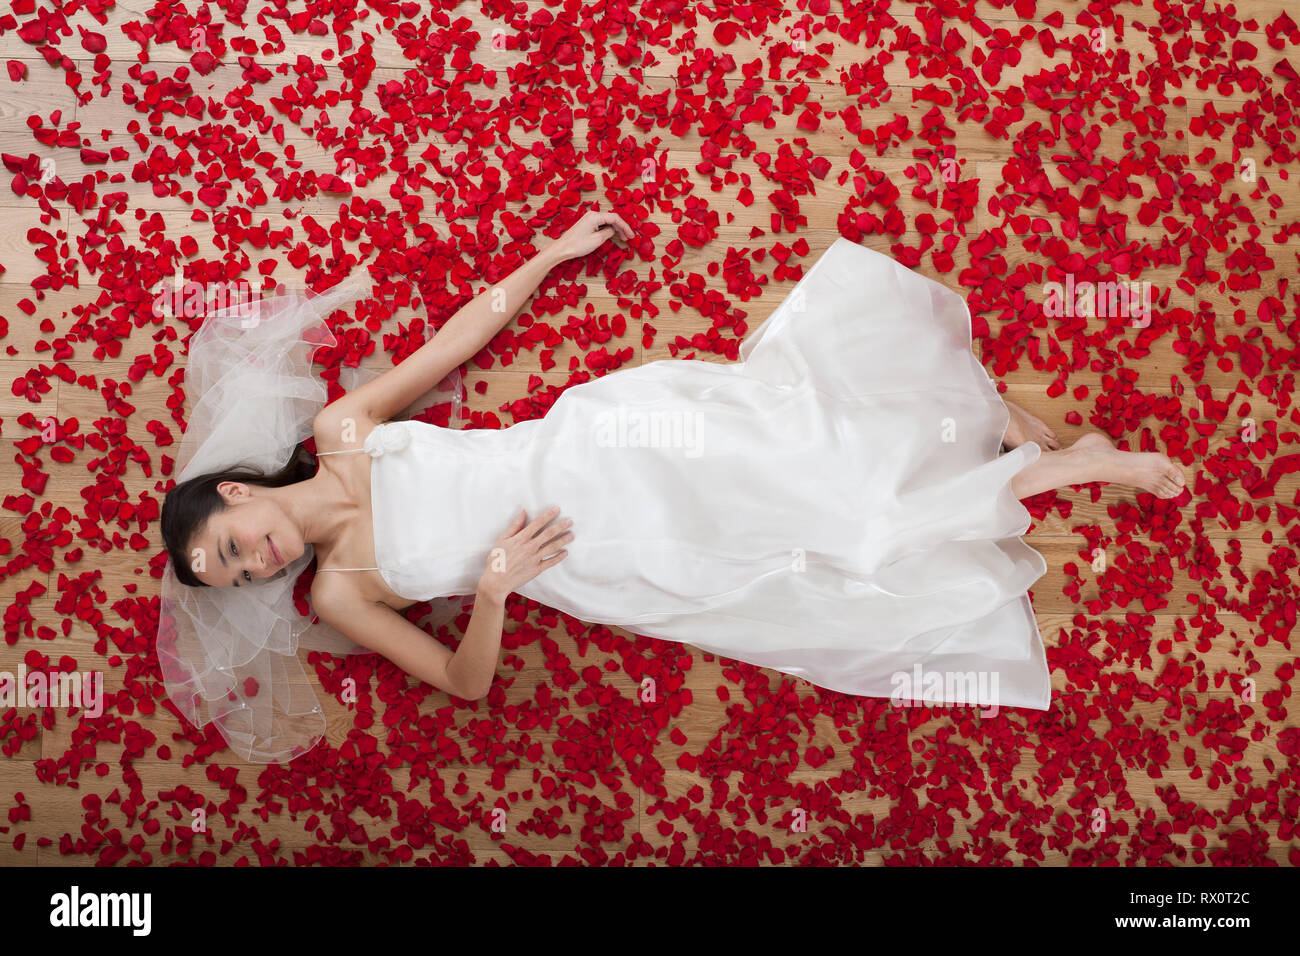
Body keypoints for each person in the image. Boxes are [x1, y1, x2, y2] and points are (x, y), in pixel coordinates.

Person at [159, 211, 1186, 761]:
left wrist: (549, 255)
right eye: (236, 576)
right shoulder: (341, 591)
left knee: (795, 431)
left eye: (232, 542)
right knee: (823, 537)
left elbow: (449, 342)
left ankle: (1025, 447)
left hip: (602, 443)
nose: (256, 564)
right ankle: (1036, 458)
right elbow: (466, 683)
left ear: (240, 495)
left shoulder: (343, 431)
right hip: (606, 554)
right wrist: (493, 589)